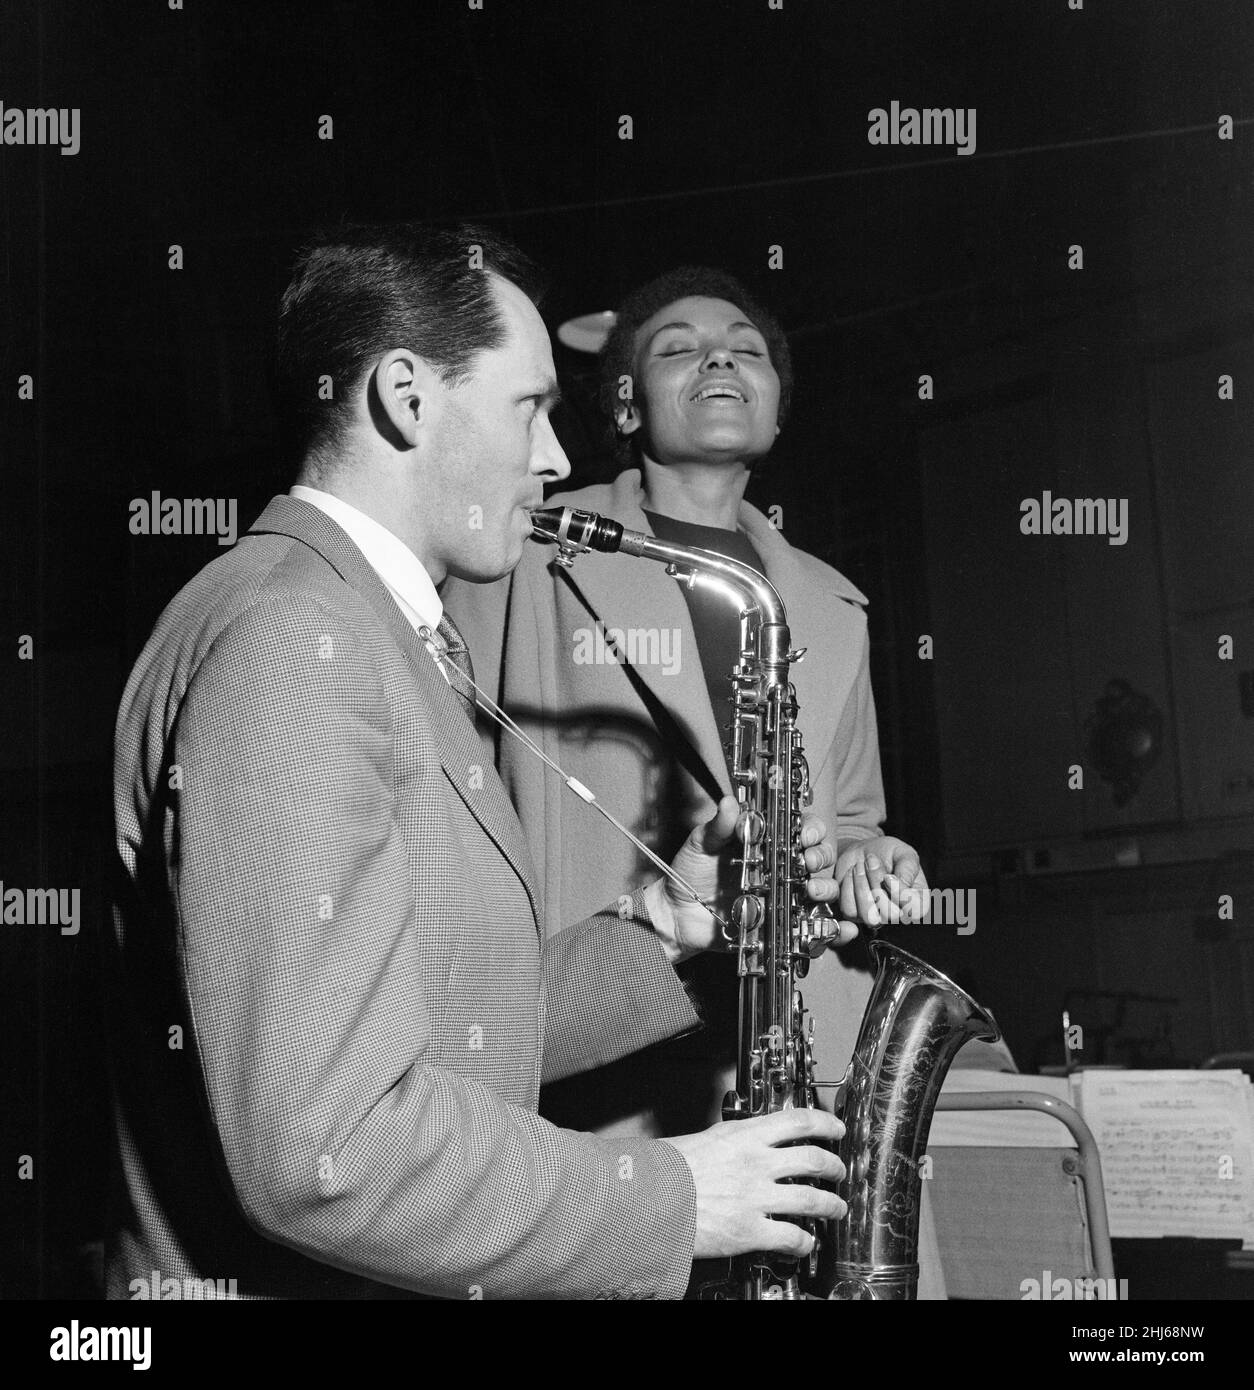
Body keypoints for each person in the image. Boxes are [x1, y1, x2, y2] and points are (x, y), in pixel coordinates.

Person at [107, 228, 851, 1301]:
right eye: (529, 407)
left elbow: (446, 1027)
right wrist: (674, 1196)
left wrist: (667, 928)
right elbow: (329, 1148)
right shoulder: (290, 639)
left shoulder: (358, 629)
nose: (557, 457)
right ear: (407, 398)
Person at [445, 265, 981, 1298]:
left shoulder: (835, 602)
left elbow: (854, 815)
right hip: (604, 1051)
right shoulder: (520, 550)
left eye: (745, 345)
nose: (721, 356)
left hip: (796, 1044)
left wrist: (874, 862)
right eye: (678, 345)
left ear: (777, 406)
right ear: (625, 400)